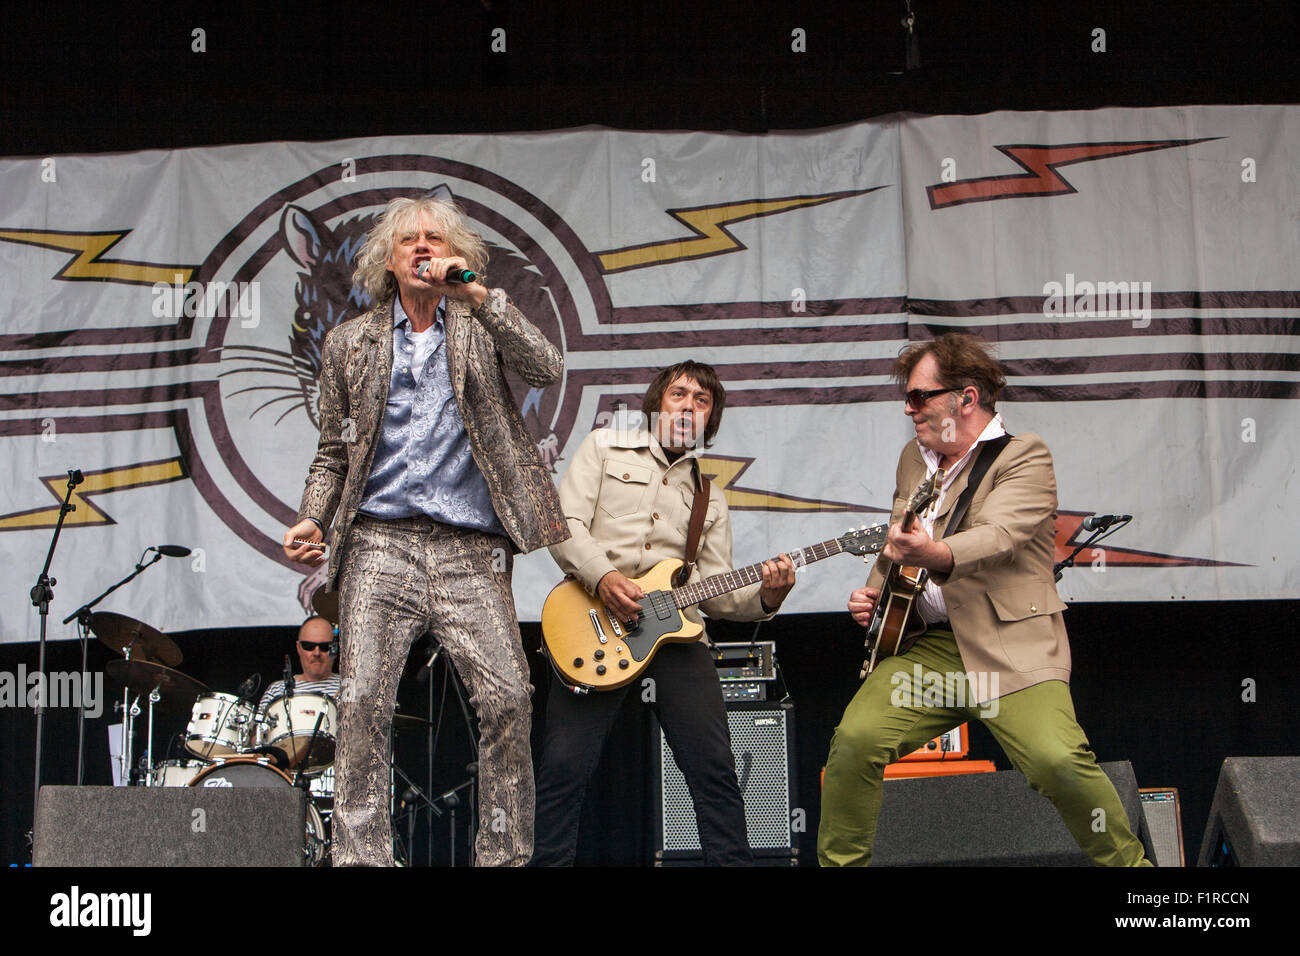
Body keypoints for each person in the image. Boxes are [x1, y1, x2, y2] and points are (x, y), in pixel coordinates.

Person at [281, 195, 568, 867]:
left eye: (435, 239)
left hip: (471, 548)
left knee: (507, 698)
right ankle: (361, 860)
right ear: (387, 258)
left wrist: (478, 293)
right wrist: (310, 516)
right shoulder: (349, 342)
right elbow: (332, 452)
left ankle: (503, 858)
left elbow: (546, 367)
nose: (421, 248)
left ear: (455, 254)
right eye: (408, 239)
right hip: (380, 542)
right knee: (360, 706)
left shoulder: (478, 323)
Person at [818, 332, 1148, 866]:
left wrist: (932, 551)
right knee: (854, 744)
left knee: (1059, 763)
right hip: (934, 654)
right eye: (908, 396)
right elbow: (899, 538)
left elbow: (999, 536)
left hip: (1011, 648)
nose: (908, 407)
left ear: (966, 399)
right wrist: (877, 591)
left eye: (920, 396)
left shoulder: (1024, 455)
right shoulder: (913, 459)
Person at [532, 360, 796, 865]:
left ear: (710, 421)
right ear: (657, 403)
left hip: (676, 635)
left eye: (702, 401)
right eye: (679, 394)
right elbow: (561, 523)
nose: (688, 406)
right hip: (592, 623)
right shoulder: (604, 447)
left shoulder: (708, 496)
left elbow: (715, 594)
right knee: (564, 768)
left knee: (715, 767)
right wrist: (604, 578)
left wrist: (768, 597)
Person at [256, 615, 341, 717]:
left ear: (335, 648)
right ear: (298, 647)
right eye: (308, 646)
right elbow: (258, 731)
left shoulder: (348, 688)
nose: (317, 653)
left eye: (325, 646)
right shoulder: (276, 690)